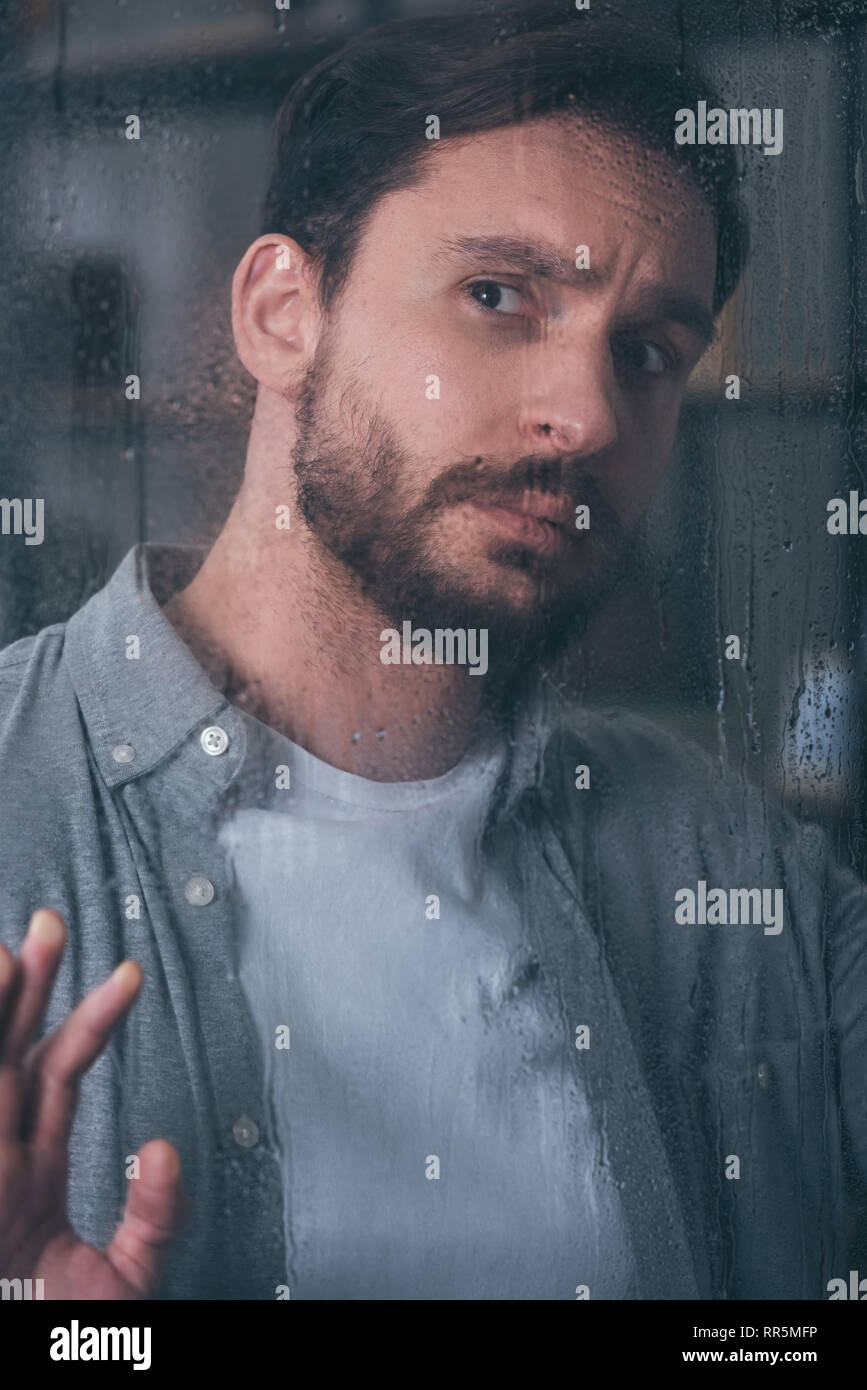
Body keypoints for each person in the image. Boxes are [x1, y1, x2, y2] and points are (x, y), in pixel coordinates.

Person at [0, 12, 863, 1301]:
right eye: (500, 296)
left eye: (648, 352)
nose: (586, 415)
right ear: (285, 312)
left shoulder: (731, 868)